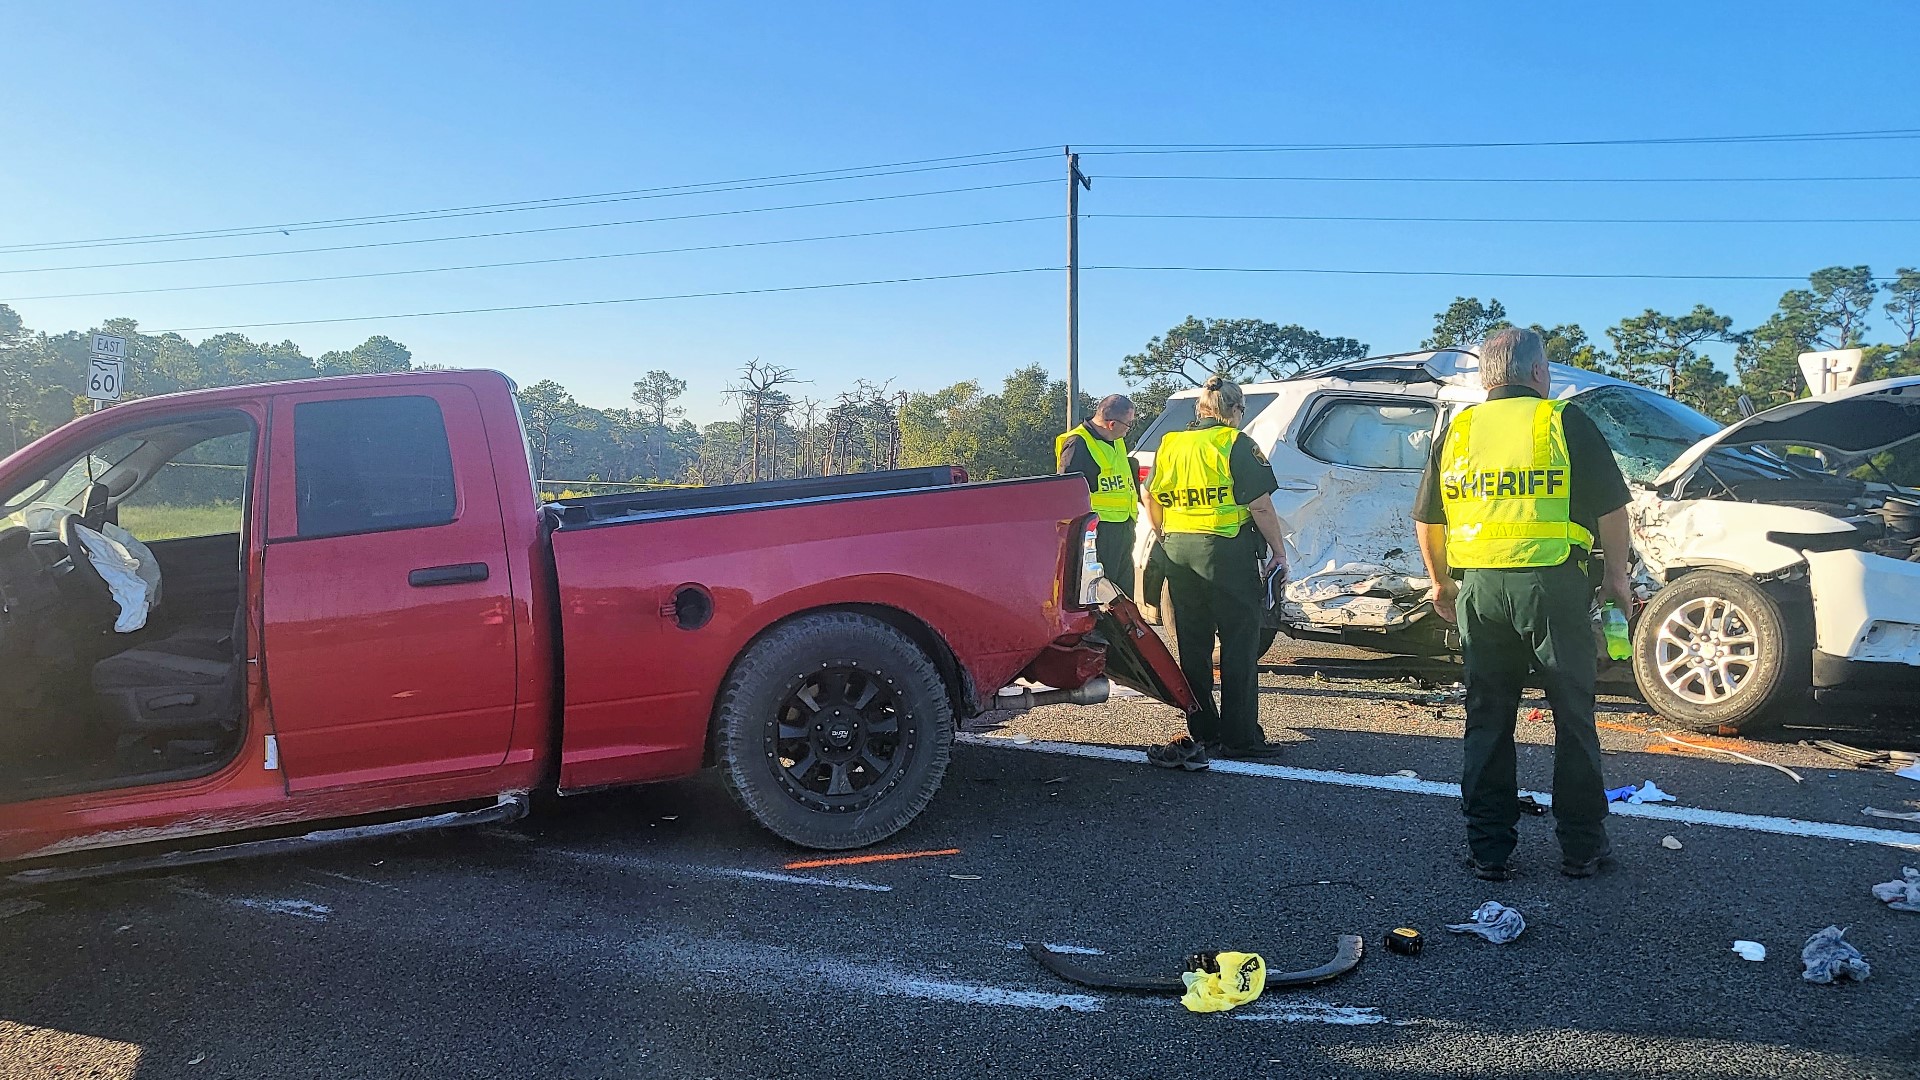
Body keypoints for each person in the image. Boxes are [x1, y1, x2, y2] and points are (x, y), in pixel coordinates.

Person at [1412, 327, 1635, 881]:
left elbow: (1428, 517)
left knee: (1488, 718)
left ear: (1487, 376)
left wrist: (1440, 582)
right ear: (1539, 373)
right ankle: (1581, 848)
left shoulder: (1459, 430)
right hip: (1553, 586)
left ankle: (1489, 850)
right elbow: (1612, 510)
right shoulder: (1562, 420)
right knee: (1573, 716)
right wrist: (1616, 579)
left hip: (1481, 591)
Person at [1142, 375, 1289, 770]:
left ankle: (1204, 729)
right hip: (1225, 551)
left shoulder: (1171, 443)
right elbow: (1259, 506)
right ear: (1234, 409)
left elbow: (1150, 494)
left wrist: (1162, 533)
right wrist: (1278, 551)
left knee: (1193, 643)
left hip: (1178, 550)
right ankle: (1240, 737)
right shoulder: (1235, 443)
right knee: (1240, 643)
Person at [1056, 395, 1141, 595]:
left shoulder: (1116, 440)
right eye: (1128, 424)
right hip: (1099, 531)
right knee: (1103, 596)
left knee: (1123, 594)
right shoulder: (1078, 443)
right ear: (1111, 424)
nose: (1129, 429)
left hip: (1123, 528)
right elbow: (1068, 493)